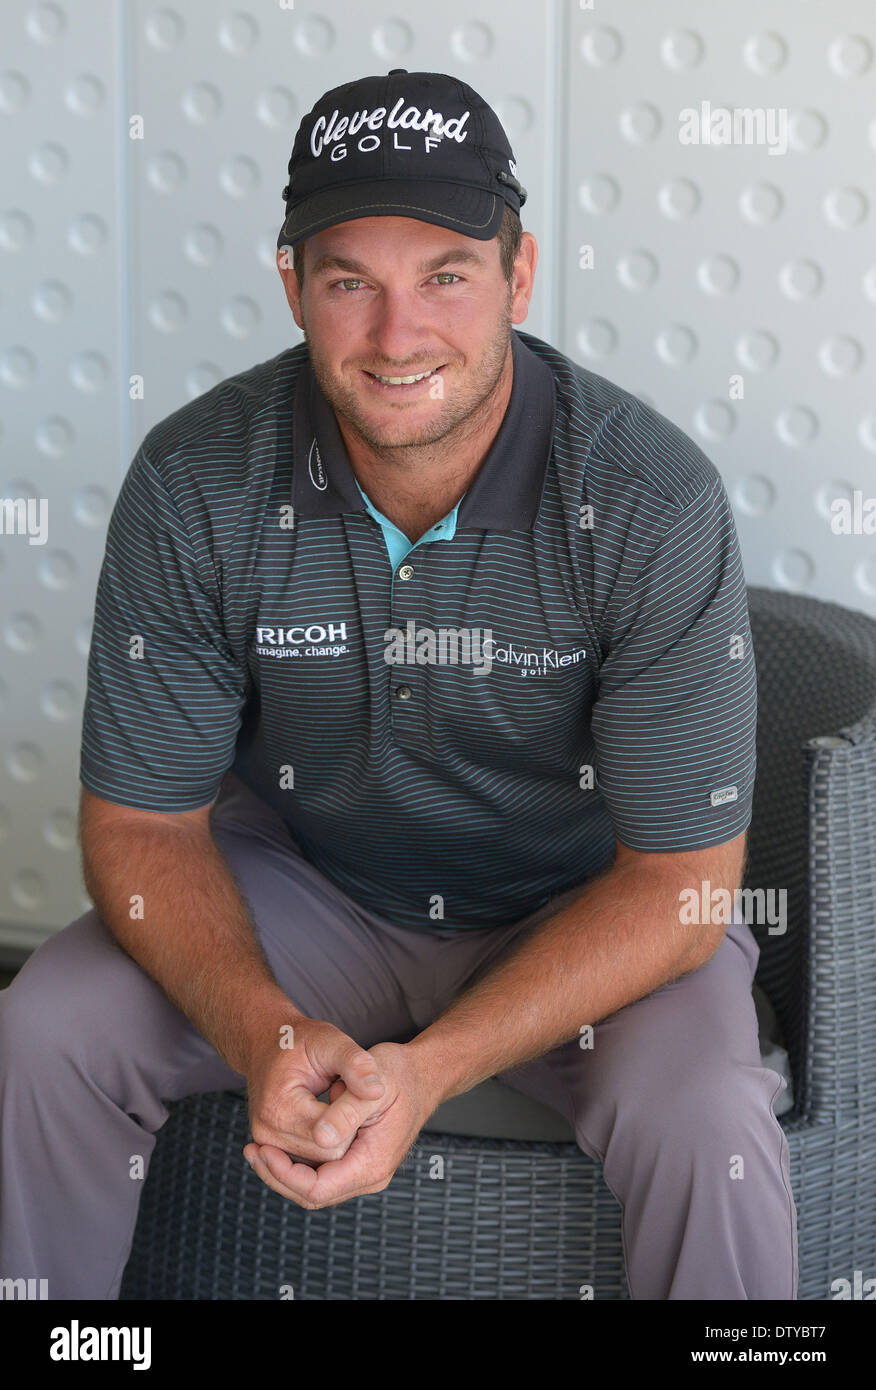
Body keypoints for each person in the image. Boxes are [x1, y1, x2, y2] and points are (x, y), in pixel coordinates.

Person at [0, 68, 797, 1300]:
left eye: (445, 275)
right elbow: (142, 826)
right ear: (292, 289)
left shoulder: (650, 495)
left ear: (519, 279)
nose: (396, 334)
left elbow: (685, 884)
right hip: (312, 893)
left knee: (707, 1110)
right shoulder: (195, 478)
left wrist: (427, 1067)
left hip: (577, 912)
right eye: (349, 282)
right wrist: (266, 1029)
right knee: (48, 1023)